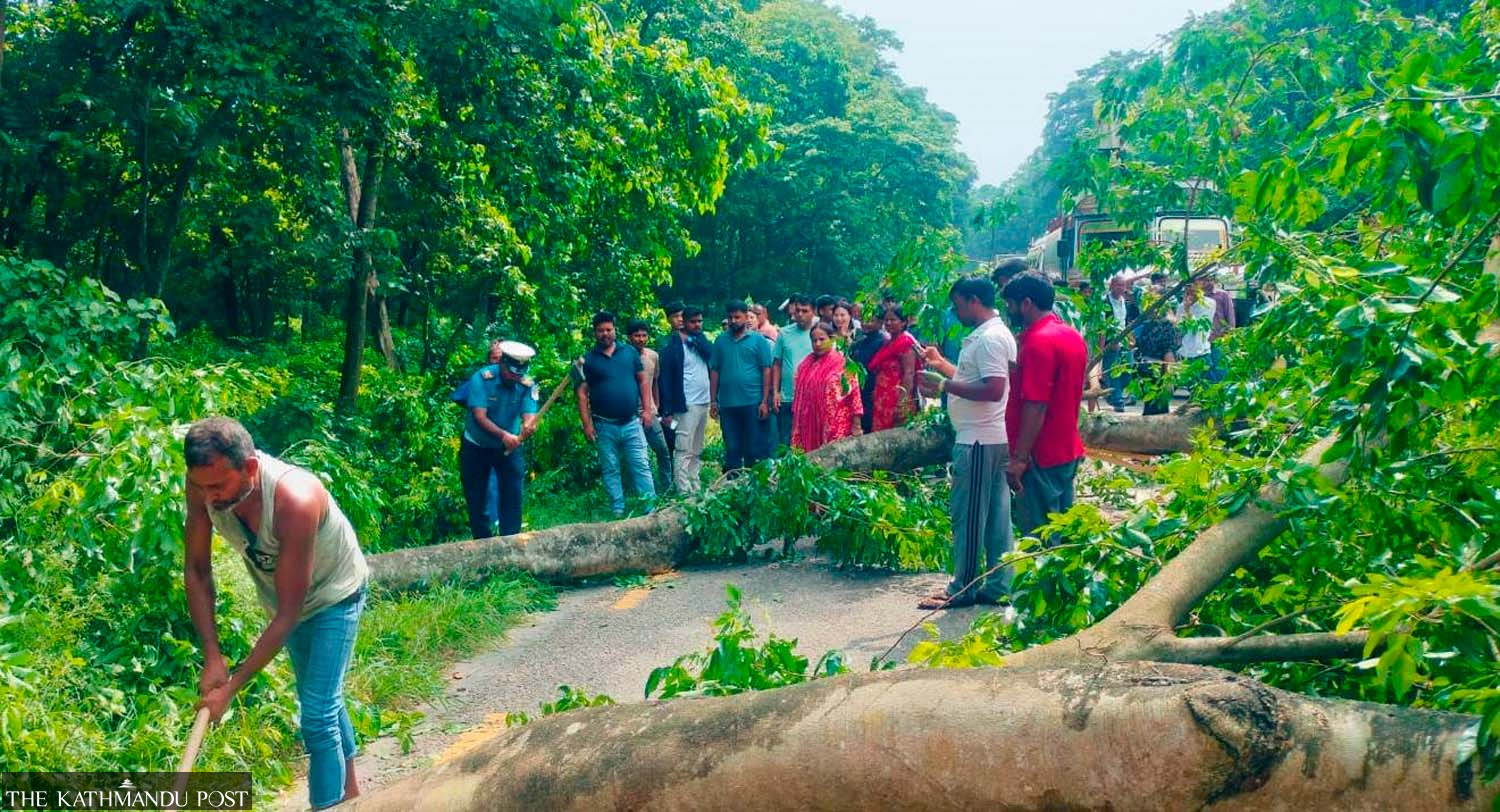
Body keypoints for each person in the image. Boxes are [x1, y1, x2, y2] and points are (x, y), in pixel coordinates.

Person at [183, 417, 369, 810]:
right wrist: (213, 656)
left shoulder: (295, 500)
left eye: (219, 486)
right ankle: (352, 793)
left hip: (334, 593)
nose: (210, 497)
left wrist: (230, 689)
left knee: (316, 716)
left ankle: (329, 805)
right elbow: (197, 570)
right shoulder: (203, 485)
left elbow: (288, 615)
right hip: (285, 596)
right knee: (321, 698)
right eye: (202, 487)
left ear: (250, 468)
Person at [914, 277, 1017, 609]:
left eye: (958, 305)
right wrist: (942, 365)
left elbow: (993, 389)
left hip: (979, 441)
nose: (956, 312)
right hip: (988, 437)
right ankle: (999, 584)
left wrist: (943, 386)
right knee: (997, 517)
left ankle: (963, 588)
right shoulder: (993, 335)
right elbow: (977, 379)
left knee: (970, 517)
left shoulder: (988, 339)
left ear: (974, 301)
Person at [1001, 273, 1088, 542]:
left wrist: (1020, 458)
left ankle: (1042, 585)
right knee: (1062, 531)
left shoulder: (1039, 342)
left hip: (1041, 453)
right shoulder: (1071, 335)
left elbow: (1035, 405)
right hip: (1066, 448)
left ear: (1026, 303)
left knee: (1039, 537)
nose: (1008, 311)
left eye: (1011, 304)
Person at [578, 311, 657, 518]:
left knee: (641, 464)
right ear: (595, 333)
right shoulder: (588, 360)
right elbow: (582, 393)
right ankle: (617, 509)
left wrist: (647, 411)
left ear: (615, 330)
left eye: (609, 329)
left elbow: (643, 381)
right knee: (610, 467)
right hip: (604, 425)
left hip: (631, 422)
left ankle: (650, 508)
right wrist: (587, 424)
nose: (605, 333)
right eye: (601, 330)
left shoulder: (629, 352)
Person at [458, 340, 540, 537]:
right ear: (502, 363)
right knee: (477, 498)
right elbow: (479, 417)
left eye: (520, 372)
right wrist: (504, 435)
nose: (516, 376)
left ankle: (510, 542)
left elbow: (529, 414)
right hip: (477, 446)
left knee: (513, 494)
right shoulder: (482, 378)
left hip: (510, 447)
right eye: (512, 371)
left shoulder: (527, 384)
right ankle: (482, 544)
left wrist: (528, 426)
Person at [710, 301, 774, 473]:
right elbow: (714, 371)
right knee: (732, 448)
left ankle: (754, 488)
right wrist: (713, 401)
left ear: (746, 317)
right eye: (730, 317)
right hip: (728, 404)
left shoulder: (759, 340)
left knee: (753, 448)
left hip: (752, 402)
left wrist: (764, 401)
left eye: (737, 317)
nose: (733, 321)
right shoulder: (720, 341)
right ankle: (732, 487)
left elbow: (766, 370)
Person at [450, 340, 504, 529]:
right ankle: (484, 524)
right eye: (494, 359)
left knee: (501, 482)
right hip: (477, 441)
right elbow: (459, 396)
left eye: (501, 359)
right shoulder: (480, 380)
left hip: (503, 443)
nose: (497, 363)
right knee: (481, 484)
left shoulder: (513, 381)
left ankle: (499, 521)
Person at [659, 306, 713, 493]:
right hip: (686, 404)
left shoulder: (700, 340)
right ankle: (683, 490)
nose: (697, 325)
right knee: (683, 448)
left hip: (703, 401)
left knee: (697, 449)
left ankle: (695, 487)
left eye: (700, 321)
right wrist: (666, 410)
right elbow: (664, 380)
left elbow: (710, 353)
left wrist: (691, 340)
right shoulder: (672, 347)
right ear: (684, 322)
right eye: (693, 321)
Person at [790, 322, 864, 451]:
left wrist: (856, 425)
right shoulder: (805, 365)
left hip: (836, 424)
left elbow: (855, 396)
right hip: (810, 424)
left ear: (832, 339)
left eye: (822, 339)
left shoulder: (843, 364)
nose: (818, 344)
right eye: (814, 340)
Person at [627, 320, 673, 491]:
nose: (640, 339)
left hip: (650, 413)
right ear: (629, 337)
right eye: (636, 335)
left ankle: (667, 488)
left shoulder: (653, 356)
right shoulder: (623, 357)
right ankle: (640, 491)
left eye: (644, 335)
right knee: (638, 456)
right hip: (630, 415)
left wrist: (656, 404)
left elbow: (655, 381)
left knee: (662, 450)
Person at [771, 295, 816, 451]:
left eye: (805, 311)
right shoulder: (784, 333)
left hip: (812, 396)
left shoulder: (820, 334)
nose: (800, 315)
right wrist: (776, 392)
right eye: (797, 311)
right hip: (788, 396)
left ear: (813, 312)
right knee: (786, 440)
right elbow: (777, 363)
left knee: (810, 440)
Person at [866, 305, 921, 431]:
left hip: (897, 398)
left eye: (893, 320)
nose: (888, 323)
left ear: (903, 322)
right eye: (886, 320)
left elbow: (909, 373)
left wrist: (902, 402)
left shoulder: (905, 343)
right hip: (883, 398)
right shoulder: (889, 342)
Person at [1103, 274, 1141, 412]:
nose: (1120, 288)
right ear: (1111, 286)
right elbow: (1101, 326)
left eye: (1122, 285)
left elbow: (1126, 322)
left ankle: (1110, 392)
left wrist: (1131, 339)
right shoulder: (1105, 302)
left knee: (1128, 371)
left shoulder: (1125, 302)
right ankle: (1117, 400)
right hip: (1111, 340)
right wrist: (1105, 345)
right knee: (1114, 371)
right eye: (1118, 285)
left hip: (1124, 339)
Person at [848, 313, 889, 433]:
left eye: (871, 321)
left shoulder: (884, 342)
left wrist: (879, 388)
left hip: (875, 392)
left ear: (880, 322)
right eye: (863, 320)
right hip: (860, 391)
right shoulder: (858, 344)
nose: (865, 324)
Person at [1174, 281, 1216, 386]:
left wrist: (1188, 310)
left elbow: (1195, 327)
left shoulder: (1209, 303)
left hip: (1201, 350)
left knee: (1205, 386)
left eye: (1193, 288)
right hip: (1184, 351)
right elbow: (1179, 328)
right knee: (1189, 385)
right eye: (1187, 289)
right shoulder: (1180, 307)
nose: (1190, 291)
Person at [1202, 274, 1236, 381]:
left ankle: (1219, 391)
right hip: (1203, 338)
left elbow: (1230, 315)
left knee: (1220, 365)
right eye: (1203, 280)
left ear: (1213, 280)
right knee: (1206, 366)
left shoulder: (1222, 295)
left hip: (1219, 336)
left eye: (1208, 280)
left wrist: (1229, 334)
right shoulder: (1199, 296)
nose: (1205, 283)